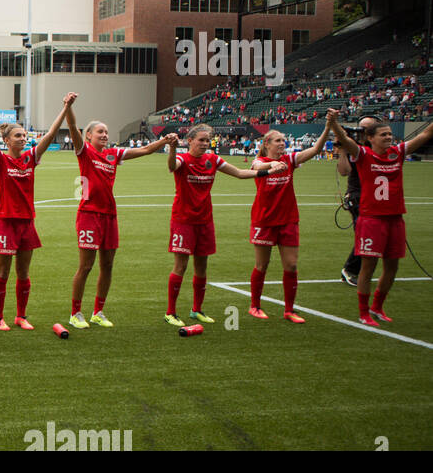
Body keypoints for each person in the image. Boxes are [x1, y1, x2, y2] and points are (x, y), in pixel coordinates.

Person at [163, 125, 287, 327]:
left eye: (207, 140)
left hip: (205, 220)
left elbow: (239, 173)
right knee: (181, 266)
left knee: (202, 267)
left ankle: (197, 310)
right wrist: (173, 148)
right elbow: (171, 166)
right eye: (201, 140)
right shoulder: (182, 159)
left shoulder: (213, 160)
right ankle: (170, 312)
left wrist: (269, 171)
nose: (205, 144)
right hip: (183, 220)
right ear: (191, 140)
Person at [0, 90, 72, 332]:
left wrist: (66, 108)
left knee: (24, 272)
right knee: (3, 271)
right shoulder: (1, 160)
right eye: (18, 135)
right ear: (6, 140)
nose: (23, 138)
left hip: (27, 222)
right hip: (6, 222)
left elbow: (49, 136)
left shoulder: (30, 159)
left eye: (25, 135)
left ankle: (21, 316)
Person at [68, 114, 173, 331]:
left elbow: (145, 150)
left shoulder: (113, 154)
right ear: (88, 135)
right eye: (100, 132)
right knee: (86, 266)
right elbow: (70, 125)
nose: (105, 135)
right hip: (89, 214)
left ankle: (98, 312)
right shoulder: (85, 151)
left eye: (106, 132)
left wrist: (164, 141)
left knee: (107, 265)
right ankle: (75, 313)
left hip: (109, 215)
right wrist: (69, 107)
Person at [333, 116, 433, 326]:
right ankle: (363, 312)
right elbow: (343, 137)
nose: (389, 137)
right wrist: (333, 122)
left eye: (389, 134)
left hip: (395, 219)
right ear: (370, 138)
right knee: (368, 266)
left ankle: (377, 307)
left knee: (392, 267)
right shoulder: (363, 154)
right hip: (371, 220)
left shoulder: (397, 153)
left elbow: (425, 134)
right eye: (383, 135)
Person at [247, 113, 332, 323]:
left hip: (288, 220)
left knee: (291, 266)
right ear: (267, 143)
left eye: (284, 141)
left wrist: (328, 128)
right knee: (262, 265)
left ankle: (289, 310)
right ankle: (255, 306)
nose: (282, 144)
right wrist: (271, 166)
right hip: (264, 220)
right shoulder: (261, 160)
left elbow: (315, 150)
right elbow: (256, 166)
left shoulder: (289, 160)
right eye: (278, 141)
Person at [337, 116, 380, 287]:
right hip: (358, 195)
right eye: (361, 127)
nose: (361, 131)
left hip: (377, 196)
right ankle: (350, 270)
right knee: (365, 235)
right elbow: (343, 171)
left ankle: (357, 270)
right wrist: (342, 149)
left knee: (374, 235)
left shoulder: (380, 146)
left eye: (367, 128)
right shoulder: (353, 147)